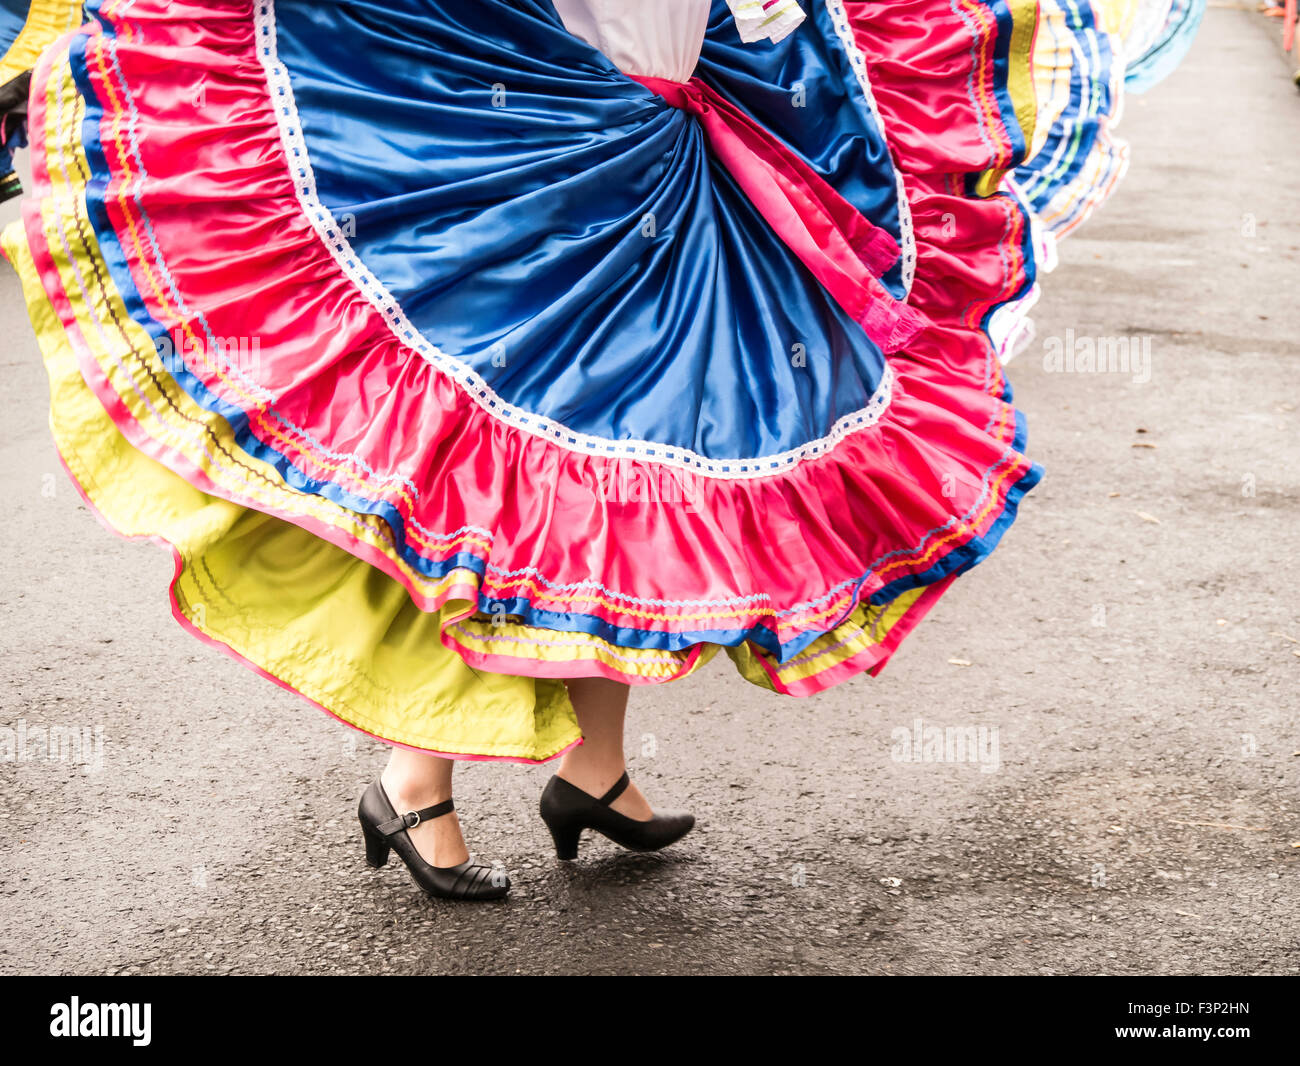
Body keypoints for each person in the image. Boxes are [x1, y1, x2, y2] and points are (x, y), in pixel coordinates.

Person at [3, 0, 1044, 901]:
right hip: (545, 168)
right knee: (488, 501)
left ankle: (594, 771)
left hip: (676, 162)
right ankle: (414, 783)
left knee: (634, 486)